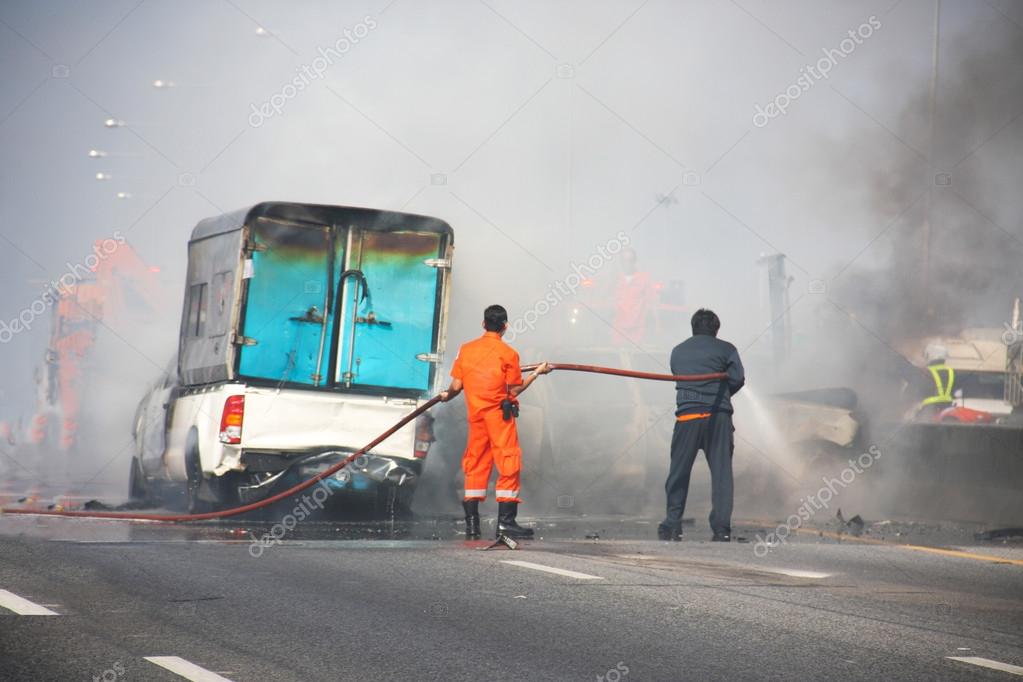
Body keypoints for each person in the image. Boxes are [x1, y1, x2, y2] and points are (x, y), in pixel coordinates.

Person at [440, 305, 551, 539]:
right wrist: (536, 373)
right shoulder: (508, 354)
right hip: (499, 417)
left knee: (476, 463)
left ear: (483, 324)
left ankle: (472, 524)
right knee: (508, 461)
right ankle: (506, 523)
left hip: (476, 417)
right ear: (506, 326)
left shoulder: (466, 350)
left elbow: (456, 387)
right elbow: (515, 389)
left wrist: (445, 396)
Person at [658, 308, 745, 542]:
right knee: (721, 475)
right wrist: (722, 394)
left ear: (693, 327)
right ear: (716, 329)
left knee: (678, 473)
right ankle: (722, 530)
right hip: (718, 418)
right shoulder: (727, 349)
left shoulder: (678, 351)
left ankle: (672, 525)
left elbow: (678, 374)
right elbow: (738, 379)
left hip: (687, 418)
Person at [611, 248, 658, 346]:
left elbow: (653, 302)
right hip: (618, 331)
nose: (628, 263)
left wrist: (657, 326)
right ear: (621, 262)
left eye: (630, 260)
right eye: (625, 260)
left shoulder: (644, 279)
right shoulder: (616, 280)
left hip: (638, 332)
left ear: (635, 261)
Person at [916, 343, 956, 421]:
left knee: (923, 430)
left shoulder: (926, 373)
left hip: (929, 409)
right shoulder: (951, 372)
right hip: (948, 408)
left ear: (930, 356)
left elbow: (919, 390)